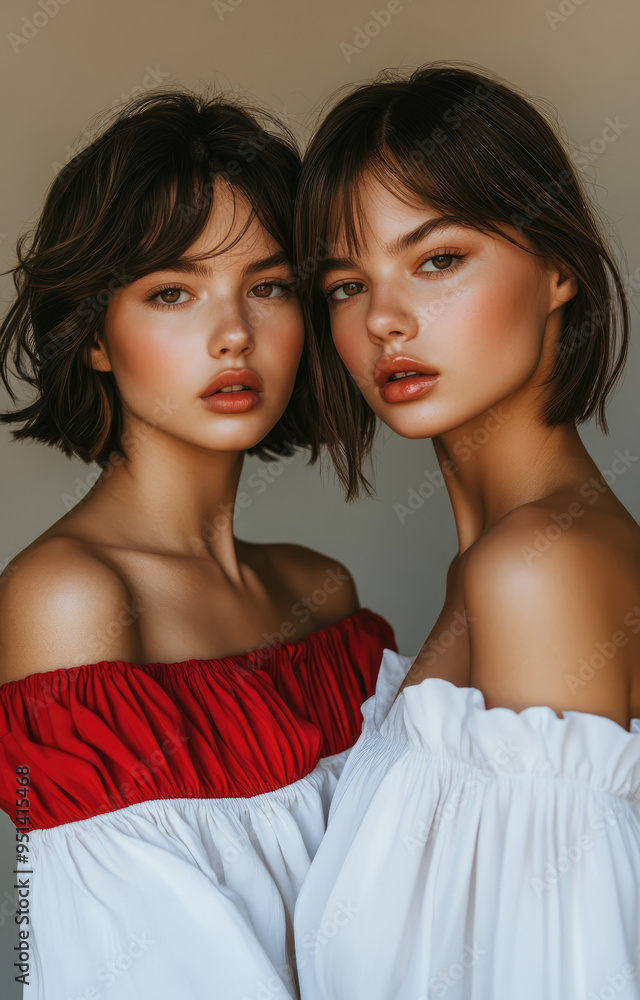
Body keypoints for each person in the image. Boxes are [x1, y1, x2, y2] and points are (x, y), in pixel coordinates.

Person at [0, 90, 397, 999]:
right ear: (95, 336)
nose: (233, 336)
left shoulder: (323, 594)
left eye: (268, 288)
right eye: (172, 292)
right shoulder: (69, 599)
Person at [292, 62, 640, 999]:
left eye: (437, 259)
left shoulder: (539, 570)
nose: (386, 321)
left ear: (560, 267)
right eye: (344, 284)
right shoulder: (504, 565)